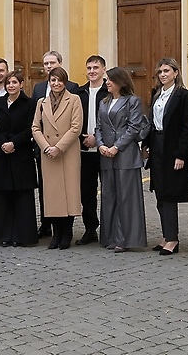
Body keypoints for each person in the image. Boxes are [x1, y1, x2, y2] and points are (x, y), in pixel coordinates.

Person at [142, 58, 188, 256]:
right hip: (157, 144)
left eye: (166, 71)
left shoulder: (184, 96)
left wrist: (181, 155)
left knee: (170, 193)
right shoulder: (157, 94)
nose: (163, 74)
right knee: (159, 192)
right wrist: (146, 143)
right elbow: (151, 121)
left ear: (175, 72)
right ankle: (166, 235)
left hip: (173, 148)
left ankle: (172, 239)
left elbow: (187, 127)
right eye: (160, 71)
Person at [95, 66, 147, 252]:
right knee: (109, 197)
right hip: (106, 155)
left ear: (121, 81)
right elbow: (98, 127)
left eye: (110, 79)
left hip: (125, 154)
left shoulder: (132, 101)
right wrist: (101, 145)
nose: (107, 82)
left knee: (126, 198)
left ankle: (125, 238)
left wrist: (116, 146)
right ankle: (110, 236)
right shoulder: (103, 102)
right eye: (106, 79)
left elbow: (134, 127)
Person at [30, 50, 80, 239]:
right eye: (53, 81)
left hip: (66, 151)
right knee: (50, 193)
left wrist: (59, 147)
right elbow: (35, 126)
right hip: (47, 152)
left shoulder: (74, 96)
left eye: (59, 80)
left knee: (68, 193)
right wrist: (45, 147)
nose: (56, 83)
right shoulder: (41, 99)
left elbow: (76, 127)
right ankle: (52, 231)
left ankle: (66, 233)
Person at [0, 71, 37, 247]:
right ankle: (3, 235)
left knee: (21, 198)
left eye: (15, 82)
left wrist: (14, 143)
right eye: (8, 83)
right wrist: (2, 143)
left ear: (21, 84)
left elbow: (31, 128)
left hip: (21, 155)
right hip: (2, 155)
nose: (11, 86)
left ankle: (21, 236)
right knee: (2, 197)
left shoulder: (30, 103)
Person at [75, 55, 109, 245]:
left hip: (104, 149)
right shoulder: (79, 92)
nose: (92, 71)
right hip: (83, 150)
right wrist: (83, 139)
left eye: (96, 67)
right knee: (86, 191)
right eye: (89, 67)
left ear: (104, 70)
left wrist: (98, 139)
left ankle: (109, 227)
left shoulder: (109, 91)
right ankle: (90, 228)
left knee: (108, 190)